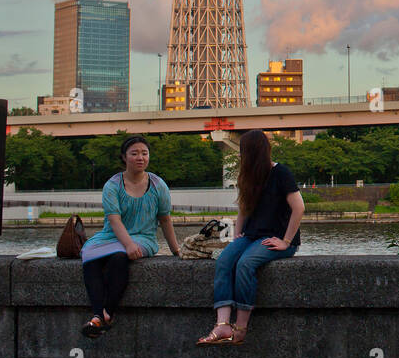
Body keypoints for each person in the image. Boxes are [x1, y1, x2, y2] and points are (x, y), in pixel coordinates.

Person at [198, 130, 304, 346]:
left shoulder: (281, 173)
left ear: (252, 152)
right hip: (252, 235)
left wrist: (286, 241)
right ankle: (222, 325)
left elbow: (299, 208)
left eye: (242, 151)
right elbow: (244, 206)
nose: (239, 155)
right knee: (225, 260)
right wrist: (238, 232)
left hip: (278, 238)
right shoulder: (248, 175)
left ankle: (241, 327)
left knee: (245, 264)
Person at [80, 134, 180, 337]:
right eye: (134, 153)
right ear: (124, 157)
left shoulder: (158, 185)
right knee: (90, 257)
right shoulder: (112, 185)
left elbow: (165, 219)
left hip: (144, 238)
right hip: (111, 236)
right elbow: (114, 220)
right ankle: (99, 315)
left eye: (144, 153)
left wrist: (176, 250)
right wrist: (127, 243)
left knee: (118, 258)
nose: (140, 157)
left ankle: (107, 312)